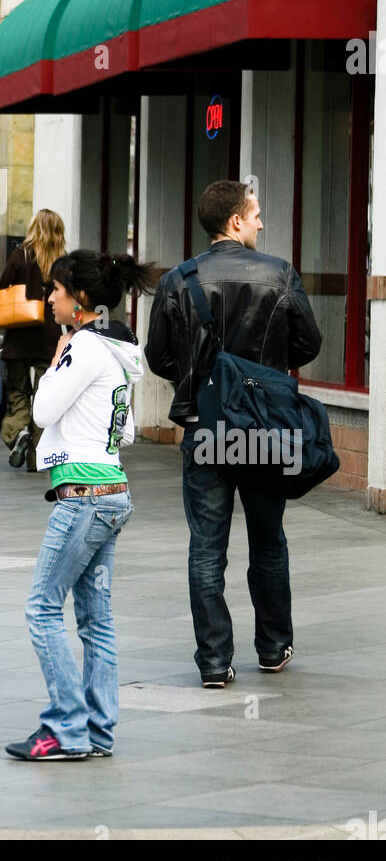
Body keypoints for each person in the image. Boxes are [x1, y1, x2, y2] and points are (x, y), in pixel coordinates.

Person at [145, 180, 322, 688]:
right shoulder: (279, 274)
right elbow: (307, 343)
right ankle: (272, 647)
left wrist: (204, 380)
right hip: (265, 428)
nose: (263, 223)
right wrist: (260, 371)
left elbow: (158, 356)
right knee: (268, 540)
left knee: (206, 547)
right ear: (236, 221)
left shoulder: (178, 280)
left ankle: (214, 662)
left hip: (205, 428)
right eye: (257, 214)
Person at [6, 250, 155, 760]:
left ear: (81, 299)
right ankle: (96, 731)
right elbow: (126, 431)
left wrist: (53, 364)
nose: (49, 298)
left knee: (42, 607)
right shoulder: (117, 348)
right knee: (96, 618)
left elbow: (44, 410)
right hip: (111, 489)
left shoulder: (82, 347)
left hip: (84, 497)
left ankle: (66, 729)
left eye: (56, 290)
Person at [0, 208, 66, 470]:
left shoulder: (19, 255)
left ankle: (18, 433)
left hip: (19, 336)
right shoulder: (63, 261)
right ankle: (37, 458)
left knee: (18, 393)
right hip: (50, 338)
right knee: (44, 398)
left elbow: (2, 293)